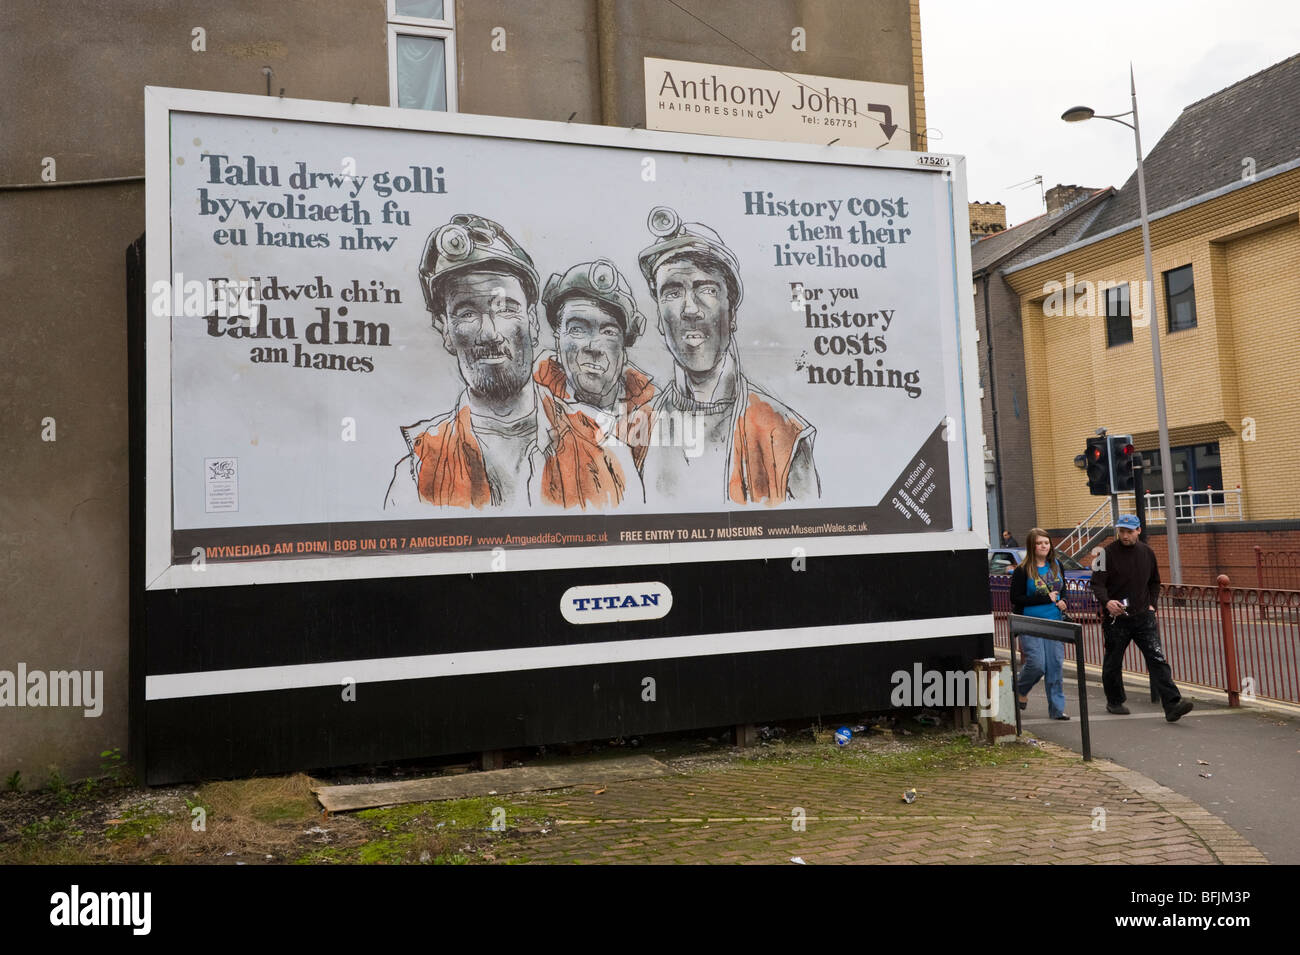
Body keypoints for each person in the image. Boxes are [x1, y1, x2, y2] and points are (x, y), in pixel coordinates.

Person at [385, 213, 636, 510]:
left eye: (505, 309)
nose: (490, 333)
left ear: (532, 322)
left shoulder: (603, 445)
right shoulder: (419, 470)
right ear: (446, 331)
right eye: (467, 313)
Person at [635, 205, 819, 504]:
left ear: (732, 313)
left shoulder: (782, 433)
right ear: (658, 317)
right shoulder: (637, 430)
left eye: (705, 289)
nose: (689, 309)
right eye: (672, 293)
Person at [534, 258, 656, 471]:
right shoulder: (530, 405)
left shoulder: (654, 415)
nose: (593, 347)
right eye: (577, 329)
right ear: (557, 339)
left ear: (624, 345)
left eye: (608, 331)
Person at [1090, 514, 1194, 722]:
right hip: (1116, 618)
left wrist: (1152, 605)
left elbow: (1155, 582)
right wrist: (1107, 602)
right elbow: (1097, 584)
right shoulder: (1104, 554)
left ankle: (1172, 704)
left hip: (1143, 617)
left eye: (1129, 531)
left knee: (1157, 659)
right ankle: (1115, 701)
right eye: (1122, 531)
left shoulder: (1147, 552)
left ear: (1138, 531)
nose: (1125, 535)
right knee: (1113, 661)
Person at [1010, 528, 1070, 720]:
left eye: (1046, 542)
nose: (1044, 546)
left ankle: (1057, 710)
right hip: (1031, 623)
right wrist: (1044, 598)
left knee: (1055, 666)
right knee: (1036, 665)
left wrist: (1064, 601)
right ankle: (1018, 689)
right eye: (1039, 543)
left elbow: (1064, 590)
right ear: (1032, 546)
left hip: (1054, 621)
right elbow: (1016, 598)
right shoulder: (1022, 570)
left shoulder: (1056, 565)